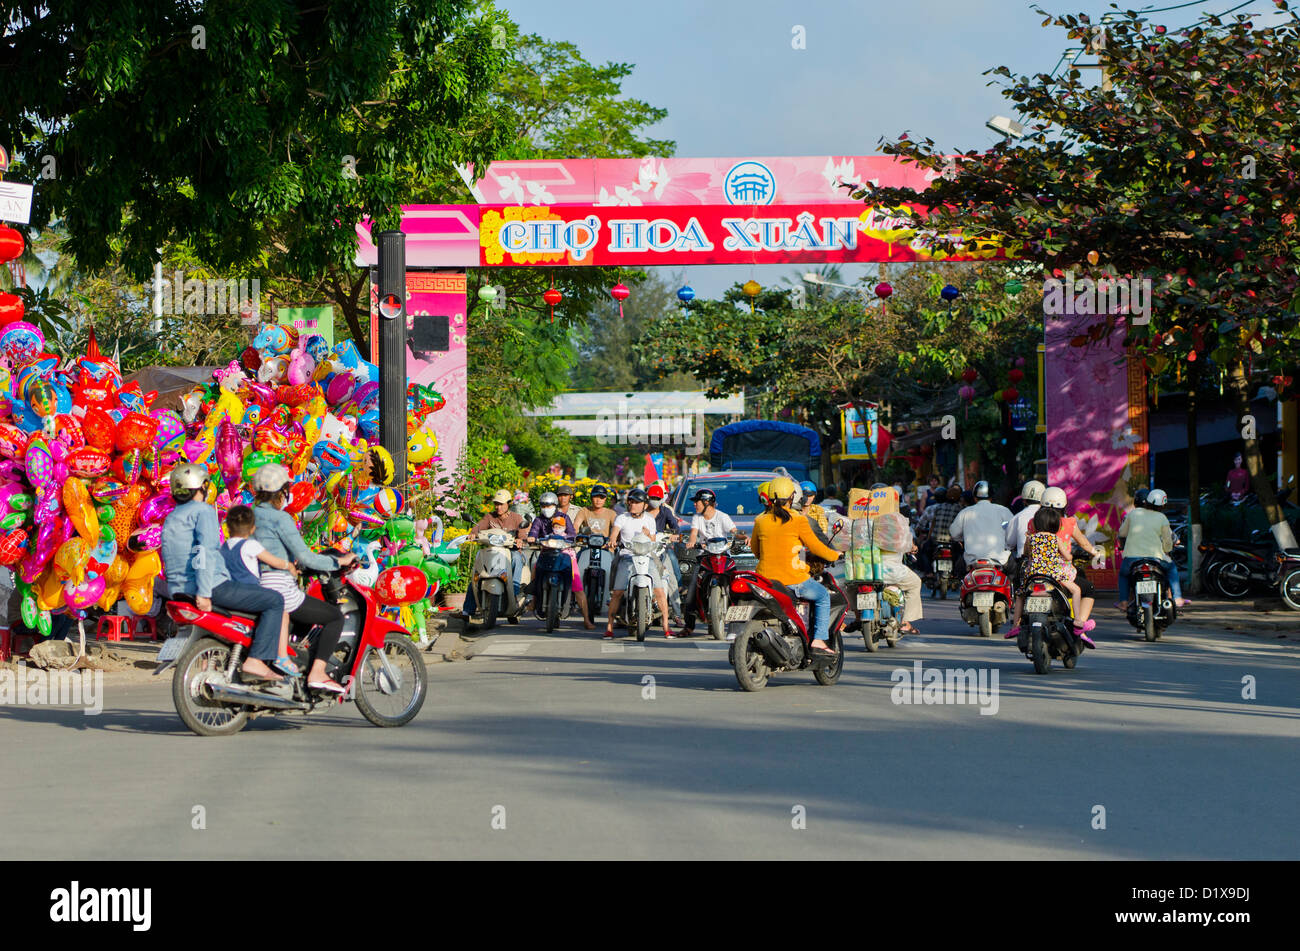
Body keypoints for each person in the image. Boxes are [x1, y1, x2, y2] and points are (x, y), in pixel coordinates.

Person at [160, 463, 287, 684]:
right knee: (275, 600)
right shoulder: (203, 511)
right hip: (210, 587)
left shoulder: (172, 517)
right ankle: (257, 661)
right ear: (201, 487)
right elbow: (205, 552)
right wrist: (204, 592)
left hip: (177, 591)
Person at [251, 464, 357, 694]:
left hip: (254, 587)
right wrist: (338, 562)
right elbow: (306, 556)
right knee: (334, 617)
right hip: (278, 586)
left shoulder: (249, 515)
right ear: (282, 491)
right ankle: (317, 673)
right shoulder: (280, 519)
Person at [750, 477, 842, 657]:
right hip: (793, 579)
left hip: (765, 580)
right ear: (792, 498)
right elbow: (816, 546)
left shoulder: (760, 521)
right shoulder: (798, 520)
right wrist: (835, 554)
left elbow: (756, 551)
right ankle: (819, 640)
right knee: (823, 595)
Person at [222, 504, 301, 677]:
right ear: (252, 528)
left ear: (228, 527)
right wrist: (289, 566)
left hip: (229, 594)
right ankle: (280, 656)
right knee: (281, 607)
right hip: (249, 594)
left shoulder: (224, 546)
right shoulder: (250, 545)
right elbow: (274, 561)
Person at [1007, 506, 1094, 648]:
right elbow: (1067, 556)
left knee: (1020, 595)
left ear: (1035, 524)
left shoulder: (1031, 538)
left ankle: (1015, 626)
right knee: (1076, 590)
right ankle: (1078, 621)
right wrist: (1070, 557)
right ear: (1056, 525)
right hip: (1054, 575)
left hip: (1033, 574)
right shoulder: (1055, 539)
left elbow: (1025, 554)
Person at [604, 488, 672, 639]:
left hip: (647, 558)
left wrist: (649, 535)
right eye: (631, 502)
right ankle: (609, 627)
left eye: (637, 502)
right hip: (627, 557)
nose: (633, 505)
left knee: (660, 591)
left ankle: (666, 627)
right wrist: (613, 540)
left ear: (644, 504)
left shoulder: (649, 519)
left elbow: (653, 540)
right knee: (617, 593)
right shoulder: (622, 518)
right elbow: (615, 532)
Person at [676, 488, 743, 637]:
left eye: (697, 502)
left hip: (723, 557)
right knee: (691, 593)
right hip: (704, 558)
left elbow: (733, 531)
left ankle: (738, 626)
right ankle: (689, 626)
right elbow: (693, 533)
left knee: (738, 588)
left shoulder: (722, 517)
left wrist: (741, 537)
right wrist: (692, 542)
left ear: (707, 502)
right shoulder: (697, 518)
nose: (695, 505)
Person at [526, 491, 592, 629]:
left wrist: (571, 540)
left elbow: (572, 534)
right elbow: (533, 532)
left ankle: (586, 619)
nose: (546, 507)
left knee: (578, 586)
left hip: (566, 554)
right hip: (546, 553)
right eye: (544, 505)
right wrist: (532, 537)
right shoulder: (539, 520)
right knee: (535, 569)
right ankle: (533, 600)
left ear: (555, 505)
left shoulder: (564, 517)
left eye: (549, 505)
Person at [1041, 486, 1103, 629]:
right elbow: (1084, 544)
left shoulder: (1033, 523)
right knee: (1088, 588)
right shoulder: (1069, 523)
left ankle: (1016, 623)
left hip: (1037, 570)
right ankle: (1079, 624)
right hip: (1060, 573)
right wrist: (1096, 553)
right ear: (1063, 505)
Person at [463, 489, 529, 619]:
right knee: (477, 574)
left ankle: (514, 592)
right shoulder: (490, 517)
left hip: (510, 551)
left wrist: (520, 539)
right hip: (493, 552)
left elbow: (522, 533)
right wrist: (473, 533)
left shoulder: (516, 518)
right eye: (496, 504)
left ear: (508, 504)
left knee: (516, 558)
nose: (498, 507)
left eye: (501, 504)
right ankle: (467, 611)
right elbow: (479, 526)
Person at [1116, 487, 1186, 609]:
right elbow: (1168, 540)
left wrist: (1123, 546)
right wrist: (1167, 551)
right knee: (1171, 568)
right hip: (1156, 558)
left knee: (1123, 575)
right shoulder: (1161, 518)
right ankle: (1178, 598)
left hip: (1132, 558)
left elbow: (1121, 534)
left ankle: (1123, 602)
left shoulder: (1132, 514)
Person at [874, 511, 925, 636]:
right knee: (915, 583)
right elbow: (910, 546)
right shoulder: (899, 531)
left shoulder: (869, 528)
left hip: (868, 571)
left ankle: (858, 617)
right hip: (893, 571)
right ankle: (905, 622)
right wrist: (913, 548)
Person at [949, 481, 1013, 568]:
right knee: (1015, 577)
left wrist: (963, 537)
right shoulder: (1003, 511)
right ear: (991, 497)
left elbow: (954, 533)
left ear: (975, 498)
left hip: (971, 562)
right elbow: (1011, 532)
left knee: (957, 575)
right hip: (1000, 561)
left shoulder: (965, 512)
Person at [575, 485, 617, 615]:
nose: (598, 500)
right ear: (591, 498)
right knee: (575, 568)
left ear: (606, 499)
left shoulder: (611, 513)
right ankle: (573, 598)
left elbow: (617, 529)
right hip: (587, 548)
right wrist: (575, 534)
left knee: (614, 569)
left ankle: (611, 596)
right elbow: (576, 525)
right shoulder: (584, 511)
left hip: (605, 550)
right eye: (595, 497)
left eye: (601, 497)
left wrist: (613, 540)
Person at [646, 485, 684, 622]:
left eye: (657, 498)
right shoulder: (642, 512)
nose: (654, 500)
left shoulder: (666, 512)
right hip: (643, 550)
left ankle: (677, 613)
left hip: (661, 549)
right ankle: (623, 609)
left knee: (671, 577)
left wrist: (672, 536)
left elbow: (675, 528)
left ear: (662, 499)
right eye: (652, 498)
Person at [915, 484, 964, 575]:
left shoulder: (938, 507)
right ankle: (958, 574)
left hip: (936, 540)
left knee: (924, 551)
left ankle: (929, 573)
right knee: (961, 554)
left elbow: (932, 525)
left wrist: (929, 539)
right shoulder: (961, 509)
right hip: (952, 541)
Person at [1004, 480, 1045, 574]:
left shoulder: (1018, 517)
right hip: (1050, 564)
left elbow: (1009, 543)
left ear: (1024, 500)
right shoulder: (1052, 516)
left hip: (1025, 565)